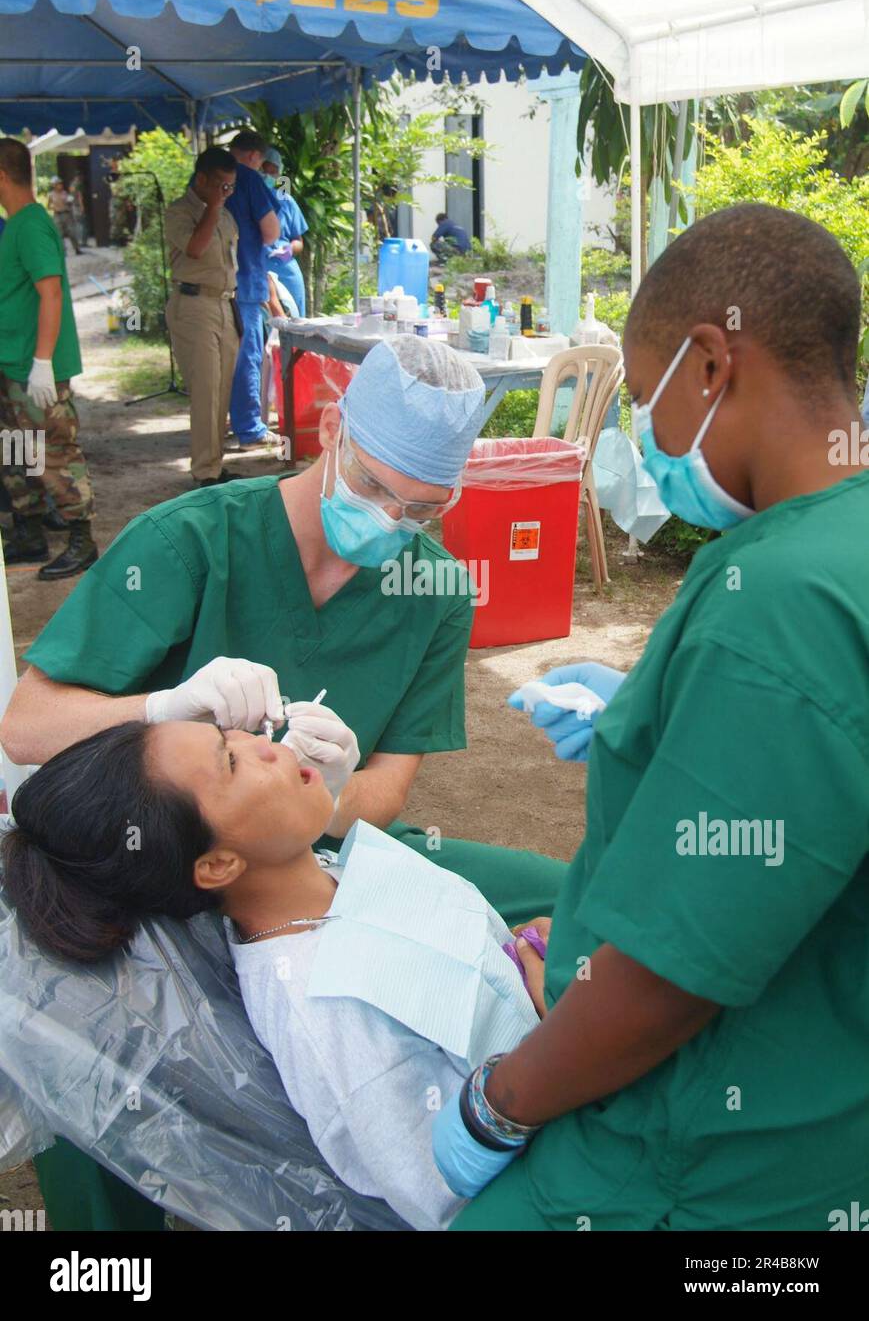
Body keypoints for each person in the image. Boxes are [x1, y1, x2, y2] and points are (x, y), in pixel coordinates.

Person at [0, 333, 567, 1229]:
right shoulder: (191, 542)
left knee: (555, 896)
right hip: (179, 861)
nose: (387, 521)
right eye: (376, 486)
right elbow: (25, 727)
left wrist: (324, 792)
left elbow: (381, 793)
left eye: (421, 509)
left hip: (316, 853)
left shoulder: (430, 590)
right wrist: (163, 708)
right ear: (334, 429)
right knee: (76, 1030)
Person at [432, 203, 869, 1232]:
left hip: (711, 1162)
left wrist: (497, 1105)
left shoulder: (777, 603)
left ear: (710, 363)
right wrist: (658, 719)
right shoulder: (827, 553)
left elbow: (669, 979)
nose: (646, 441)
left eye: (643, 399)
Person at [2, 715, 550, 1230]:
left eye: (231, 733)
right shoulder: (331, 1017)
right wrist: (566, 1040)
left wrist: (522, 958)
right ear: (217, 865)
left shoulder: (332, 879)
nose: (266, 744)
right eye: (232, 762)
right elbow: (452, 1201)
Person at [0, 138, 97, 580]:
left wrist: (43, 362)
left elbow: (51, 291)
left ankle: (82, 537)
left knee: (55, 454)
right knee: (21, 454)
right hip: (14, 363)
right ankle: (30, 530)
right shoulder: (17, 223)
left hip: (34, 368)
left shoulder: (33, 224)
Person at [165, 147, 242, 488]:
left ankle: (214, 464)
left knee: (222, 389)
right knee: (206, 389)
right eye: (220, 186)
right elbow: (195, 248)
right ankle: (204, 471)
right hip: (194, 305)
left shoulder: (225, 214)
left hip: (224, 305)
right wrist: (213, 206)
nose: (226, 193)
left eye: (230, 187)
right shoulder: (181, 212)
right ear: (201, 180)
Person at [224, 129, 282, 450]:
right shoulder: (249, 179)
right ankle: (249, 429)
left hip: (212, 284)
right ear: (254, 156)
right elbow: (272, 232)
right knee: (247, 355)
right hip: (245, 281)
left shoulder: (203, 178)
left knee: (219, 360)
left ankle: (222, 421)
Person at [261, 146, 308, 317]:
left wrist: (289, 249)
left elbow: (298, 241)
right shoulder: (244, 199)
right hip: (259, 271)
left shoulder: (285, 200)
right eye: (264, 170)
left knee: (295, 325)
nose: (268, 176)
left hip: (286, 271)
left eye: (273, 173)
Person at [46, 176, 81, 256]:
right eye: (58, 184)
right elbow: (48, 206)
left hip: (66, 214)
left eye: (60, 184)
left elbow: (71, 202)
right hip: (57, 215)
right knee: (59, 234)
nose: (60, 185)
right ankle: (63, 251)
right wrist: (53, 207)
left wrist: (70, 200)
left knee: (72, 232)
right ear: (54, 185)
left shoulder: (65, 193)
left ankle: (77, 249)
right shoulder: (51, 195)